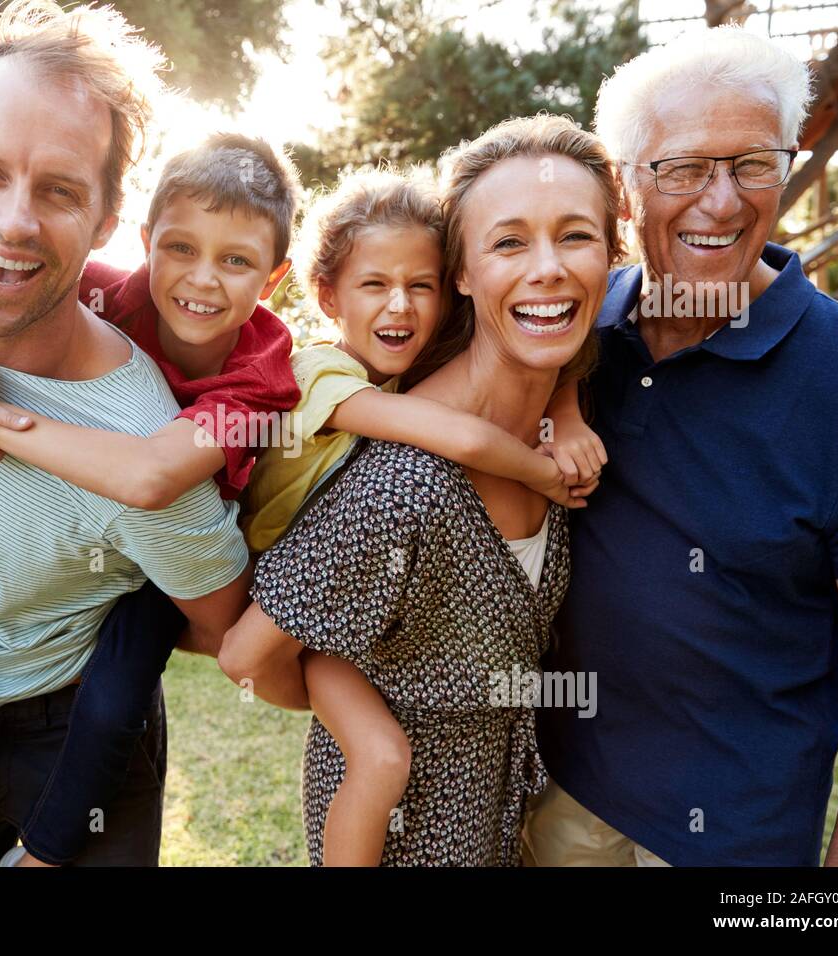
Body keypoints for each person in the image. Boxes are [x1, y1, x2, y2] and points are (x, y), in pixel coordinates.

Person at [0, 0, 250, 867]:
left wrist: (128, 615)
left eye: (61, 190)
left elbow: (223, 621)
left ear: (109, 219)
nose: (15, 221)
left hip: (78, 743)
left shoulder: (144, 437)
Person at [529, 27, 838, 867]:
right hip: (560, 795)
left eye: (754, 164)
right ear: (626, 191)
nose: (723, 201)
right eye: (686, 168)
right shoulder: (567, 334)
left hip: (738, 841)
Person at [221, 114, 622, 865]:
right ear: (466, 273)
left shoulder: (570, 421)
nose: (548, 268)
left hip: (506, 826)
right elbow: (247, 656)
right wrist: (369, 725)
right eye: (509, 241)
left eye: (575, 236)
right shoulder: (403, 481)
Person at [0, 131, 304, 865]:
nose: (202, 279)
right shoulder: (99, 290)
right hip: (74, 544)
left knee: (116, 694)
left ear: (274, 279)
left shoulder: (262, 375)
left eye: (237, 261)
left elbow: (151, 478)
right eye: (181, 249)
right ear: (147, 239)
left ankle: (47, 853)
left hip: (175, 559)